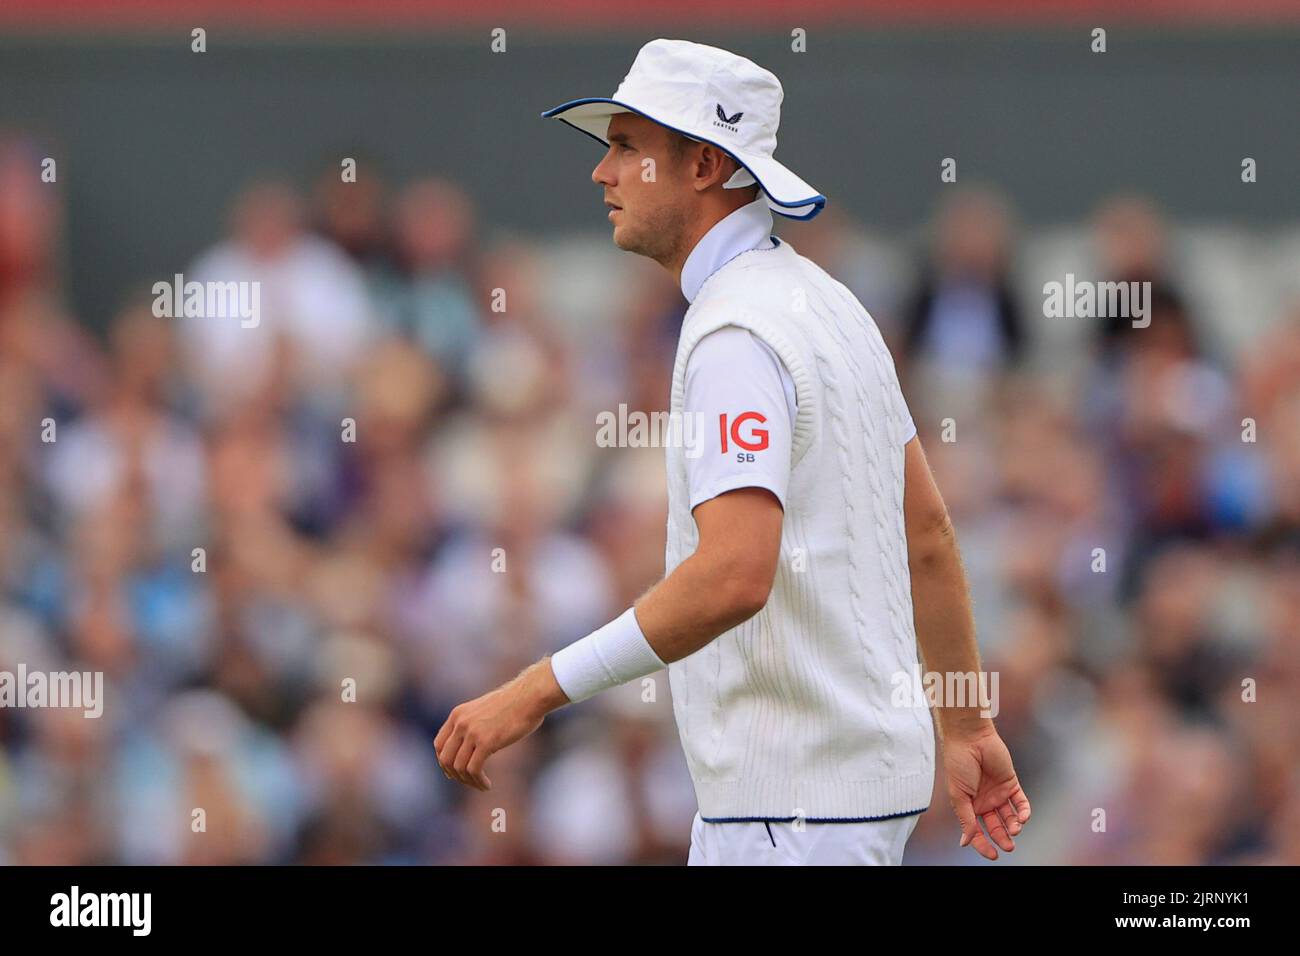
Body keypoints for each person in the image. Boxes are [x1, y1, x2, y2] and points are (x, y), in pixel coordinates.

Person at [435, 38, 1030, 865]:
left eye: (628, 146)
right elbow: (924, 532)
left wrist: (534, 691)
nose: (602, 173)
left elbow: (733, 576)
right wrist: (965, 724)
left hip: (789, 817)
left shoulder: (735, 331)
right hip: (831, 805)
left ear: (706, 165)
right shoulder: (830, 304)